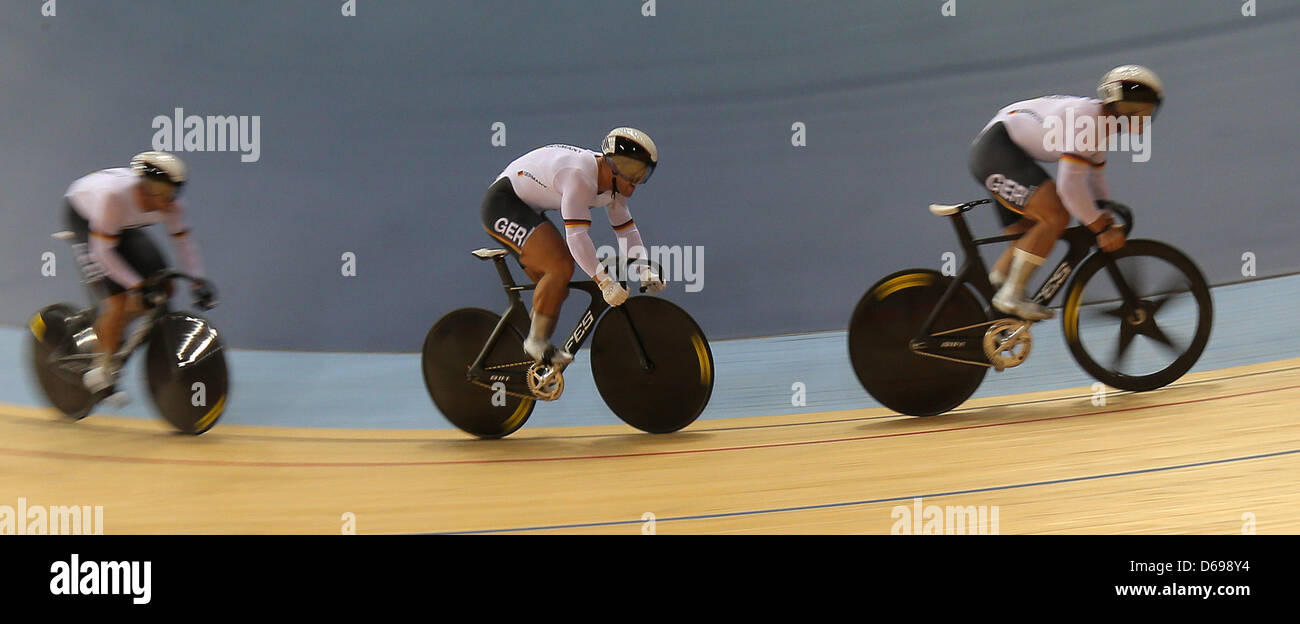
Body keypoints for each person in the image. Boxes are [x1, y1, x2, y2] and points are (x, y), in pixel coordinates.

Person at [968, 64, 1163, 320]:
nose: (1143, 116)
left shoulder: (1101, 123)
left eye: (1148, 110)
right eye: (1140, 109)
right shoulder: (1089, 122)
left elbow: (1095, 179)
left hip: (1001, 150)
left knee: (1027, 237)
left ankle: (989, 304)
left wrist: (1102, 212)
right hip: (998, 151)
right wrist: (1100, 227)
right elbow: (1070, 187)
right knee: (1056, 215)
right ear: (1121, 102)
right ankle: (1010, 295)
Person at [480, 127, 666, 366]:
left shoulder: (616, 184)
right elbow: (577, 237)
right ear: (611, 163)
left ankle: (528, 357)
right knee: (559, 268)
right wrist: (604, 282)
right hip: (503, 203)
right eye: (631, 171)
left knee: (557, 286)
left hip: (528, 208)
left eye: (641, 174)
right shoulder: (579, 176)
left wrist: (644, 270)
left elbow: (626, 229)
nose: (634, 183)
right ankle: (535, 343)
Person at [64, 151, 214, 401]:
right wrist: (136, 285)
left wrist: (197, 281)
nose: (164, 200)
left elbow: (184, 244)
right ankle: (101, 368)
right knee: (117, 302)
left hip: (122, 225)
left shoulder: (172, 206)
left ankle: (110, 329)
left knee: (164, 288)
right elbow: (102, 252)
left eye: (170, 192)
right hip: (85, 216)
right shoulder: (114, 196)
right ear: (141, 185)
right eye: (156, 190)